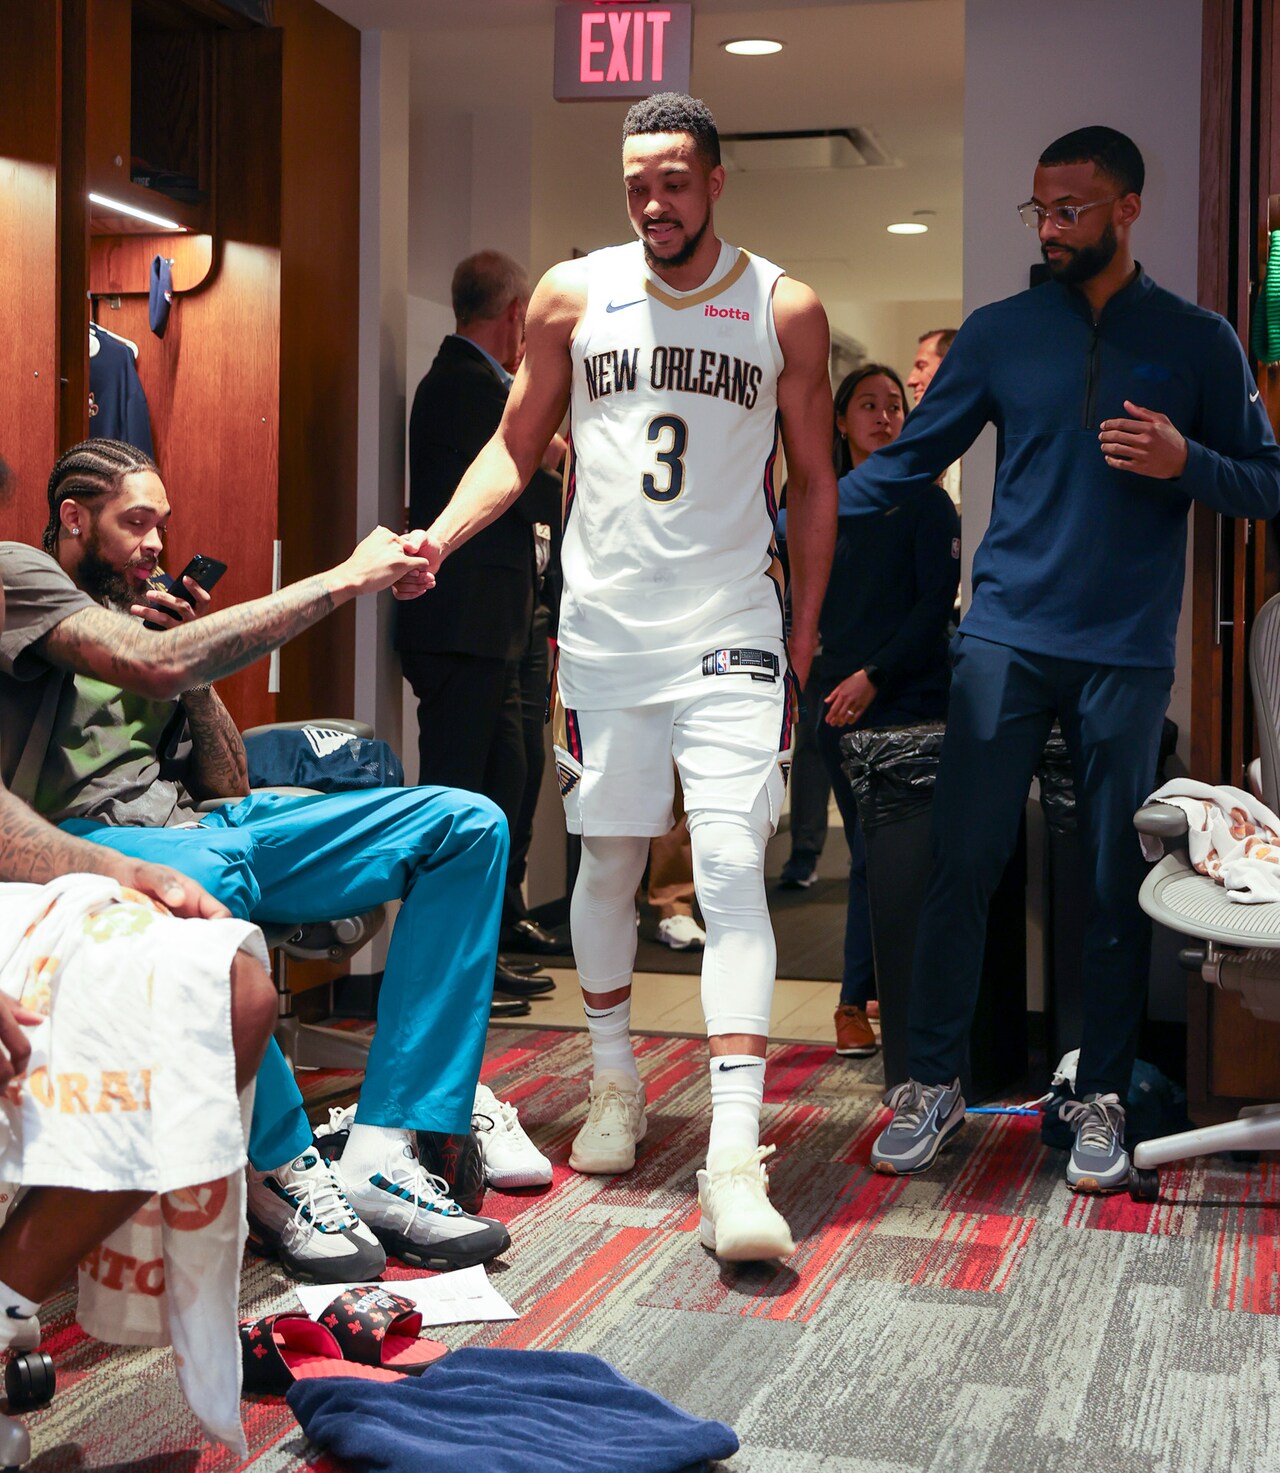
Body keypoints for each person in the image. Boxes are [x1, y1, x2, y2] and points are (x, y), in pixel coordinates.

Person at [405, 92, 837, 1263]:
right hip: (601, 633)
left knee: (732, 864)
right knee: (604, 859)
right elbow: (511, 443)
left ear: (715, 180)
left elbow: (811, 483)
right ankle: (613, 1086)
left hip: (732, 625)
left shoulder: (783, 307)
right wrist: (437, 540)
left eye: (676, 180)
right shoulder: (567, 295)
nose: (655, 202)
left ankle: (734, 1160)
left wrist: (802, 634)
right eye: (637, 182)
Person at [837, 126, 1280, 1193]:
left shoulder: (1197, 339)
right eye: (1037, 209)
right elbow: (904, 465)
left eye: (1069, 210)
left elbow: (1264, 483)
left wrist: (1187, 462)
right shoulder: (999, 332)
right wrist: (786, 527)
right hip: (1000, 636)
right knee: (961, 860)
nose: (1048, 228)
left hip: (1121, 653)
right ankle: (931, 1083)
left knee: (1108, 879)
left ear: (1126, 209)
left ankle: (1103, 1094)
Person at [1, 438, 513, 1281]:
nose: (158, 545)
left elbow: (228, 780)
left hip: (209, 822)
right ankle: (283, 1166)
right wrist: (343, 577)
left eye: (162, 526)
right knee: (212, 879)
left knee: (466, 824)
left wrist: (195, 664)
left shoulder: (151, 624)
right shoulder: (20, 575)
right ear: (71, 520)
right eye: (136, 524)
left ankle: (384, 1148)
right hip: (91, 840)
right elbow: (143, 664)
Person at [398, 250, 569, 968]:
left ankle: (489, 937)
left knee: (510, 776)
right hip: (461, 628)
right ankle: (445, 958)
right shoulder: (464, 386)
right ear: (514, 317)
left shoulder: (482, 384)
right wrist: (555, 458)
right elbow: (520, 484)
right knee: (458, 793)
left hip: (501, 626)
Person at [814, 364, 958, 1058]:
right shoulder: (818, 503)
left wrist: (875, 675)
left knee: (906, 855)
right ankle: (854, 1000)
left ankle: (889, 1000)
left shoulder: (929, 505)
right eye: (867, 404)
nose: (883, 416)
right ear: (841, 420)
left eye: (894, 404)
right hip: (834, 702)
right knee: (872, 853)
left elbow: (936, 607)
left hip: (912, 696)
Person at [907, 328, 961, 510]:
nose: (911, 380)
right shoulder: (913, 441)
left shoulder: (987, 434)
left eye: (921, 366)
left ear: (950, 367)